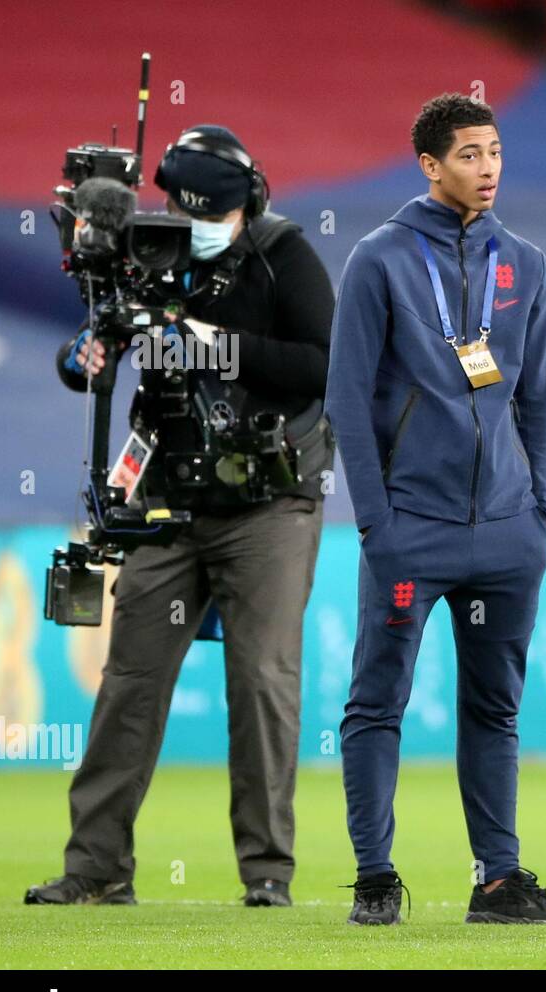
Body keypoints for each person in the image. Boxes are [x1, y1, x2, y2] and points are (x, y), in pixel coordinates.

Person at [26, 124, 335, 909]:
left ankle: (267, 872)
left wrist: (211, 344)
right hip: (167, 498)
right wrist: (83, 358)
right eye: (179, 208)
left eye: (210, 213)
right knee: (129, 679)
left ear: (245, 205)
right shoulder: (146, 257)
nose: (192, 225)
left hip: (270, 500)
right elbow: (88, 351)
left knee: (263, 678)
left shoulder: (283, 255)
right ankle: (95, 868)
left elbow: (322, 364)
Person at [326, 93, 546, 927]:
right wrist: (378, 526)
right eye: (469, 155)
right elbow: (347, 404)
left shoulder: (528, 265)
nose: (488, 168)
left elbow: (540, 402)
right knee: (378, 701)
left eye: (496, 151)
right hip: (413, 531)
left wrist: (537, 514)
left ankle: (498, 880)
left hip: (506, 532)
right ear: (430, 165)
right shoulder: (381, 259)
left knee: (496, 709)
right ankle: (373, 874)